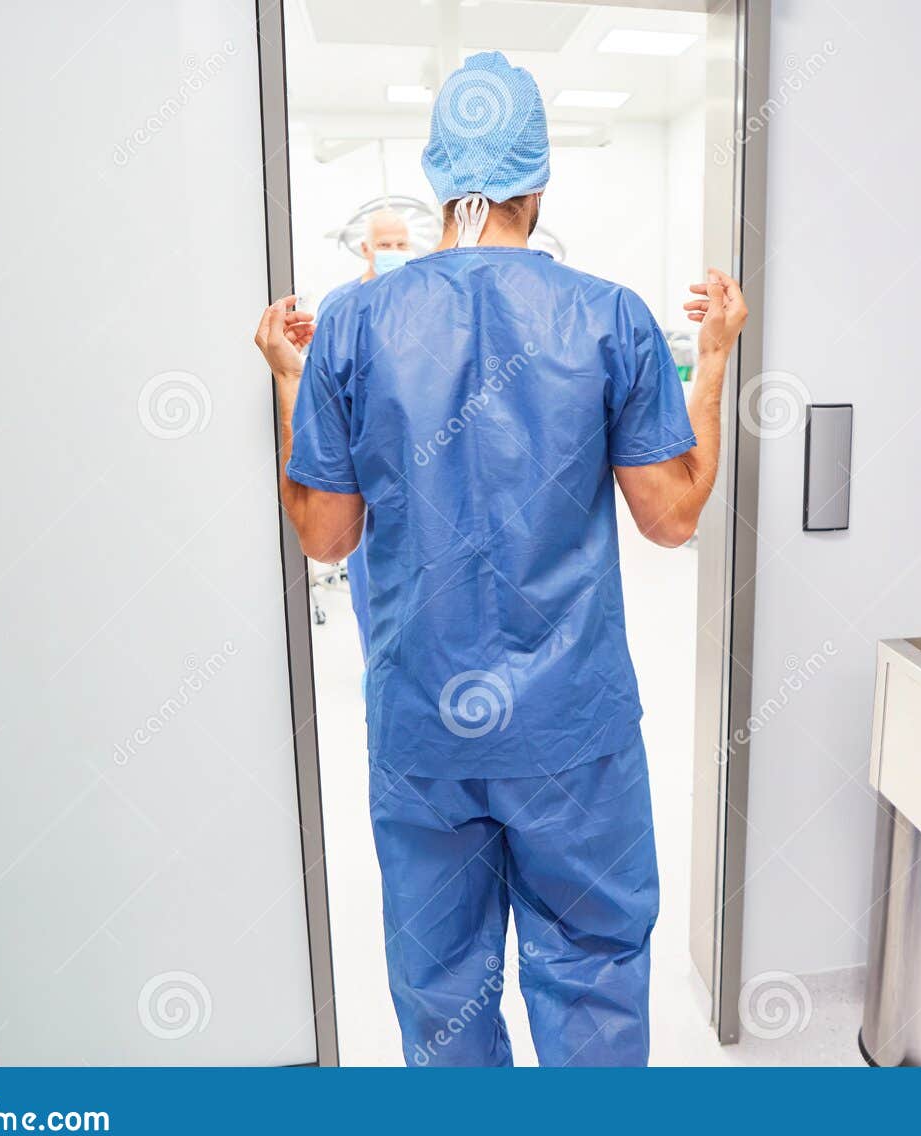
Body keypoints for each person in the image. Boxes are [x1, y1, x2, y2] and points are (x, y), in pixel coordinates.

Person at [253, 50, 746, 1067]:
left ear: (440, 178)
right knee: (593, 965)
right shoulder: (609, 316)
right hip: (572, 726)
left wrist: (292, 383)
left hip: (426, 725)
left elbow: (326, 534)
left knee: (441, 988)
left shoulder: (355, 323)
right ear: (538, 179)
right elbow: (672, 516)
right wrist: (720, 361)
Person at [358, 208, 412, 282]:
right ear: (365, 249)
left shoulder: (421, 290)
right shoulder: (347, 293)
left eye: (401, 244)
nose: (394, 252)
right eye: (384, 245)